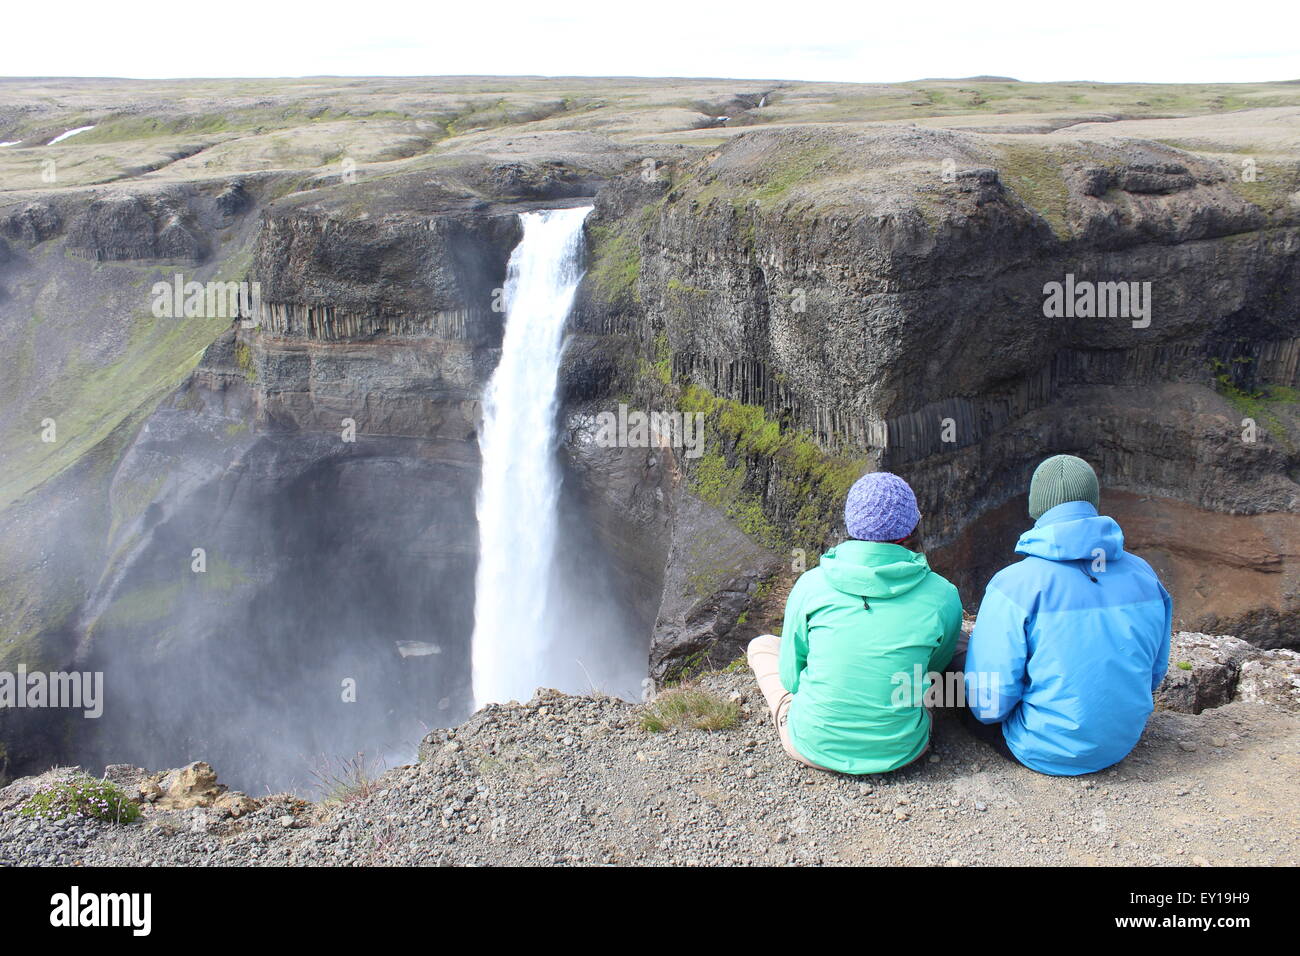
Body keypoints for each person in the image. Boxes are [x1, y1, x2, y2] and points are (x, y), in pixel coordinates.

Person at [963, 454, 1172, 776]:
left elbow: (989, 706)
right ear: (1093, 502)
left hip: (1041, 748)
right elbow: (1154, 675)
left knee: (957, 663)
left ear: (1036, 506)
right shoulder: (1144, 575)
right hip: (1122, 740)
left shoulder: (1015, 584)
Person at [747, 471, 963, 774]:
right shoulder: (944, 595)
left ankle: (801, 718)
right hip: (904, 750)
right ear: (912, 527)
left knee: (761, 646)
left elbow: (792, 680)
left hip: (811, 746)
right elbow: (934, 670)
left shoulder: (810, 585)